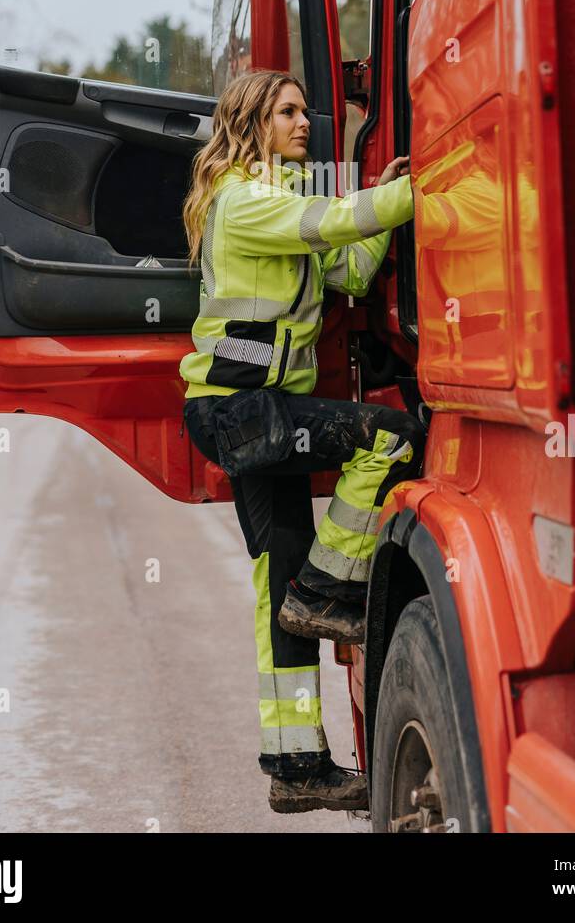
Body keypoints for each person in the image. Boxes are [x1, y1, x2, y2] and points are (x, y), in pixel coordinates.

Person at [179, 69, 425, 815]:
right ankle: (326, 591)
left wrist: (380, 202)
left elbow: (347, 258)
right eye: (286, 112)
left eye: (302, 111)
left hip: (263, 411)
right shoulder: (244, 199)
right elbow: (331, 223)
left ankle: (298, 765)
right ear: (252, 121)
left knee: (275, 589)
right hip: (237, 413)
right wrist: (428, 185)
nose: (302, 123)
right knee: (392, 439)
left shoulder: (283, 203)